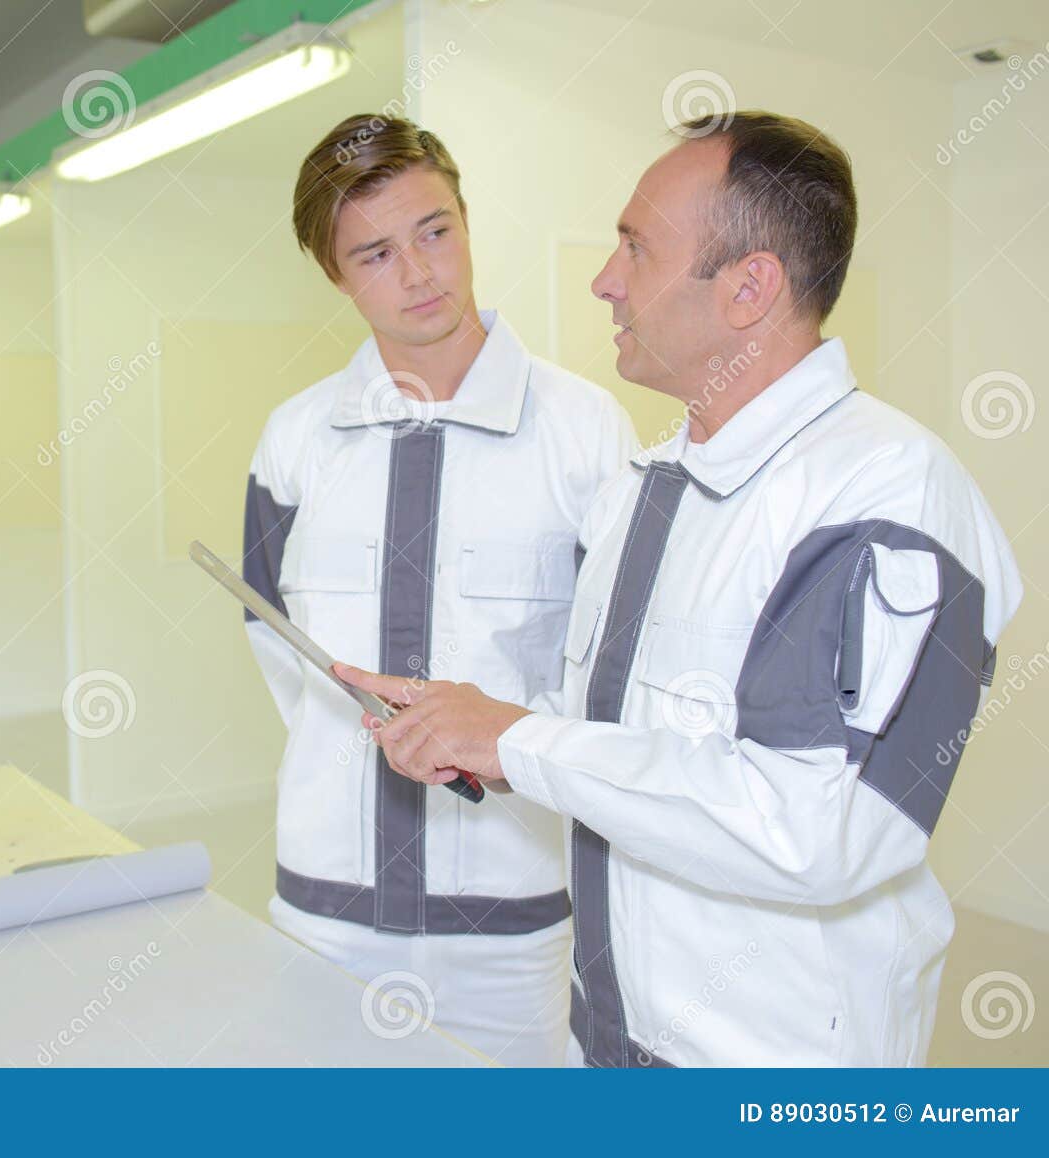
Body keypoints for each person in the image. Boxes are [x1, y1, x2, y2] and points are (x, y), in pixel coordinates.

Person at [339, 112, 1021, 1066]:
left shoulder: (886, 494)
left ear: (749, 288)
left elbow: (819, 828)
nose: (604, 280)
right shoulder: (648, 485)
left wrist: (518, 740)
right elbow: (626, 741)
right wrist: (482, 731)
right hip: (609, 1040)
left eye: (636, 248)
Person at [242, 114, 634, 1062]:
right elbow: (276, 648)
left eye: (435, 231)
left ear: (465, 220)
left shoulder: (585, 432)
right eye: (375, 253)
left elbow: (610, 669)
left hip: (511, 907)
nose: (419, 274)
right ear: (335, 275)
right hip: (324, 907)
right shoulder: (295, 441)